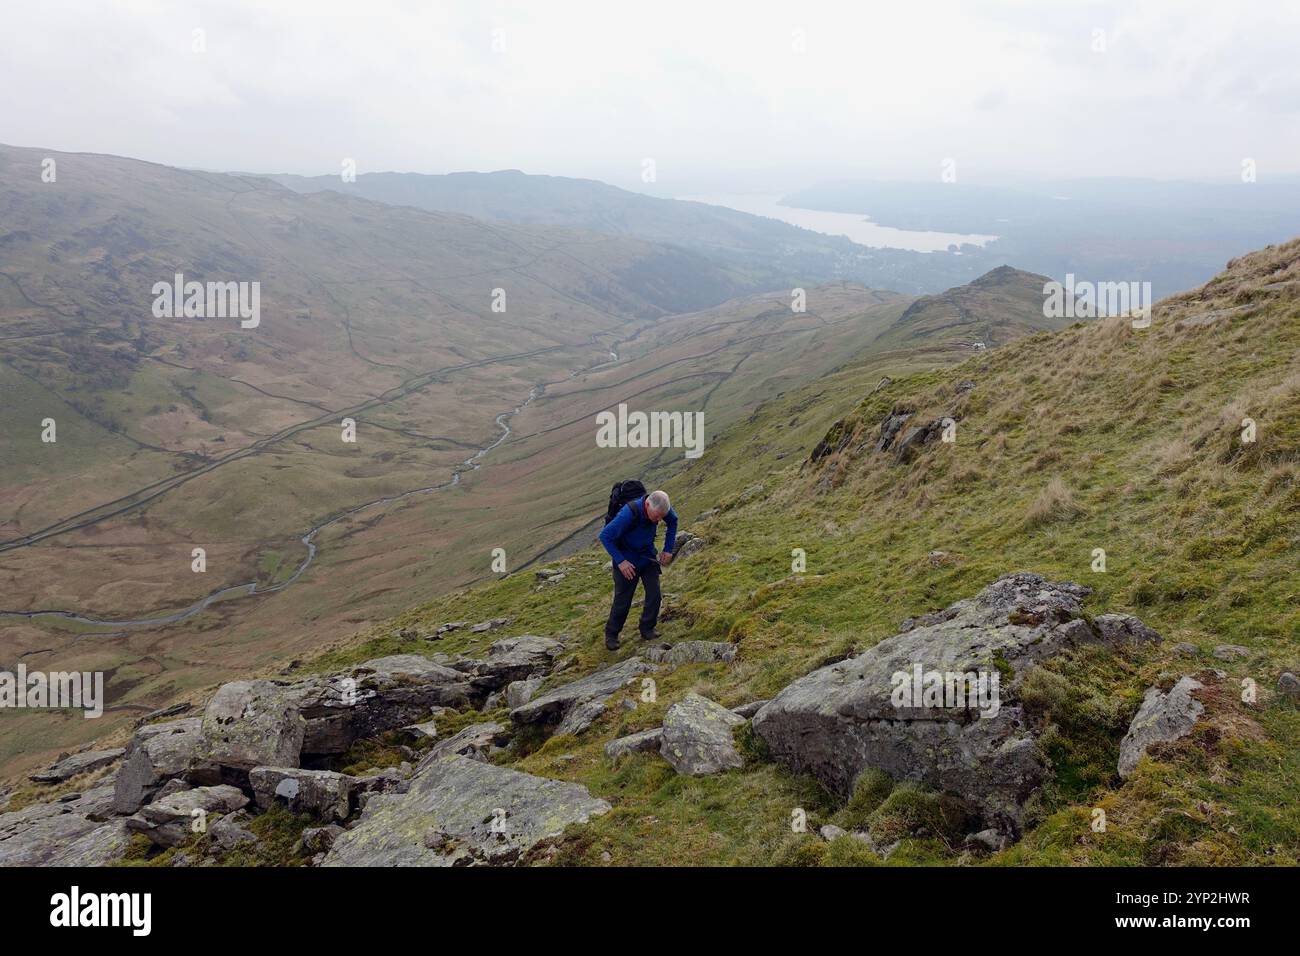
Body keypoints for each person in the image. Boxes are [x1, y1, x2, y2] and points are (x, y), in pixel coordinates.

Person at [598, 488, 677, 650]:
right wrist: (620, 562)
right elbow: (605, 536)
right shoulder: (628, 514)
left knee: (654, 594)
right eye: (656, 517)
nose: (658, 521)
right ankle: (611, 635)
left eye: (661, 517)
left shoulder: (661, 508)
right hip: (626, 560)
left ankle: (647, 628)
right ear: (647, 504)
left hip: (647, 556)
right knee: (623, 600)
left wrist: (668, 548)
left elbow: (673, 521)